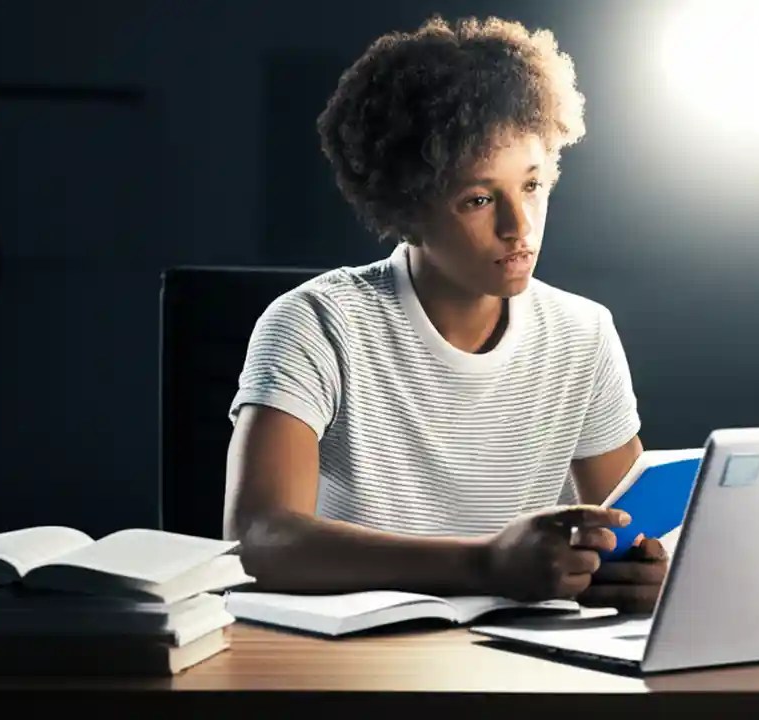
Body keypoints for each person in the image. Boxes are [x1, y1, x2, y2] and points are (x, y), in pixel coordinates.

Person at [223, 15, 667, 614]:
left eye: (532, 186)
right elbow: (256, 540)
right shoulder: (316, 322)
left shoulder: (583, 334)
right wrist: (485, 564)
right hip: (355, 660)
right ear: (407, 208)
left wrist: (641, 571)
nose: (519, 227)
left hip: (527, 661)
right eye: (479, 199)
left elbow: (630, 530)